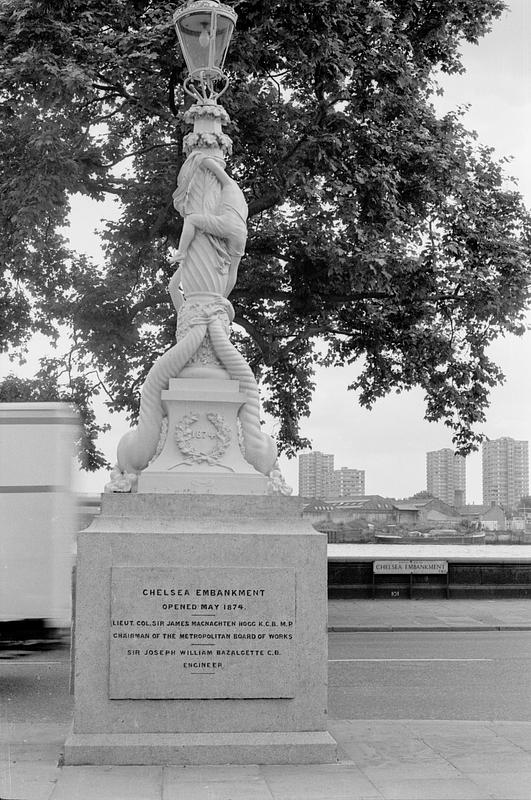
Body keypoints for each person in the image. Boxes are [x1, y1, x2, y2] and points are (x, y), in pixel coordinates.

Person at [170, 154, 248, 297]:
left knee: (191, 219)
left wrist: (196, 156)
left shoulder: (229, 184)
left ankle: (181, 252)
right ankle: (223, 298)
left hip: (227, 223)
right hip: (241, 231)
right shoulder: (242, 199)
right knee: (233, 268)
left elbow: (211, 165)